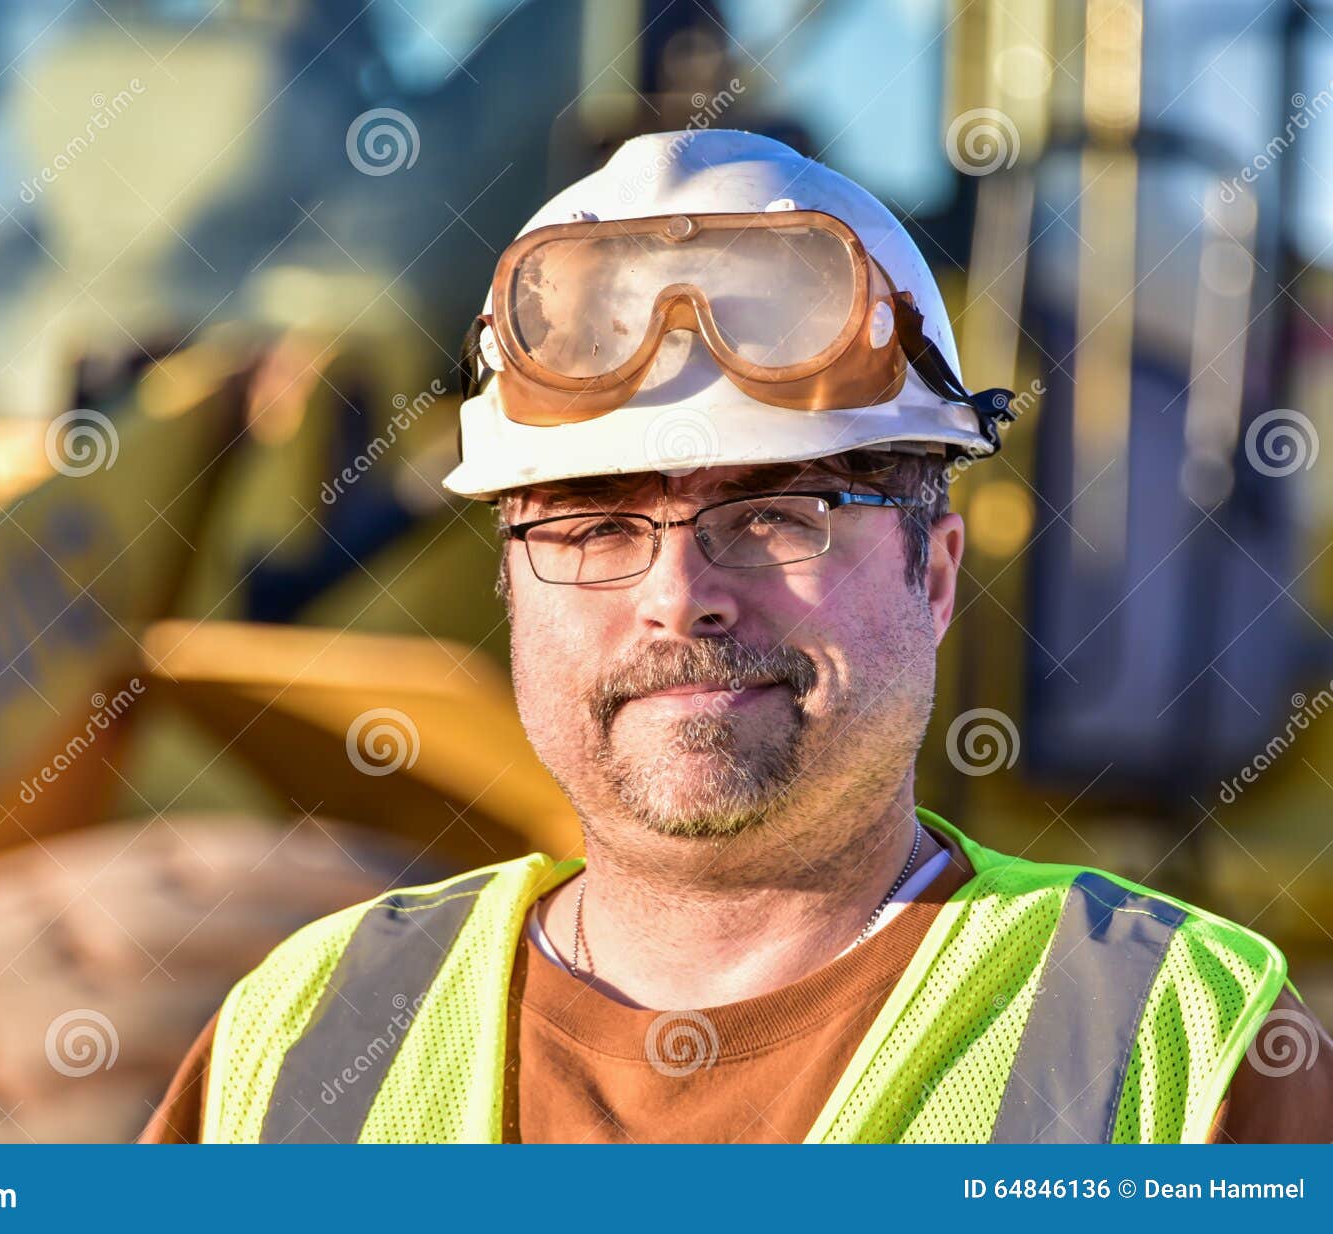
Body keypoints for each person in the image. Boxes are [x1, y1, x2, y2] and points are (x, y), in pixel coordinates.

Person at [141, 129, 1333, 1143]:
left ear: (935, 572)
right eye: (595, 524)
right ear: (508, 587)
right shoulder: (299, 1038)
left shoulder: (1183, 1044)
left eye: (774, 514)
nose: (678, 595)